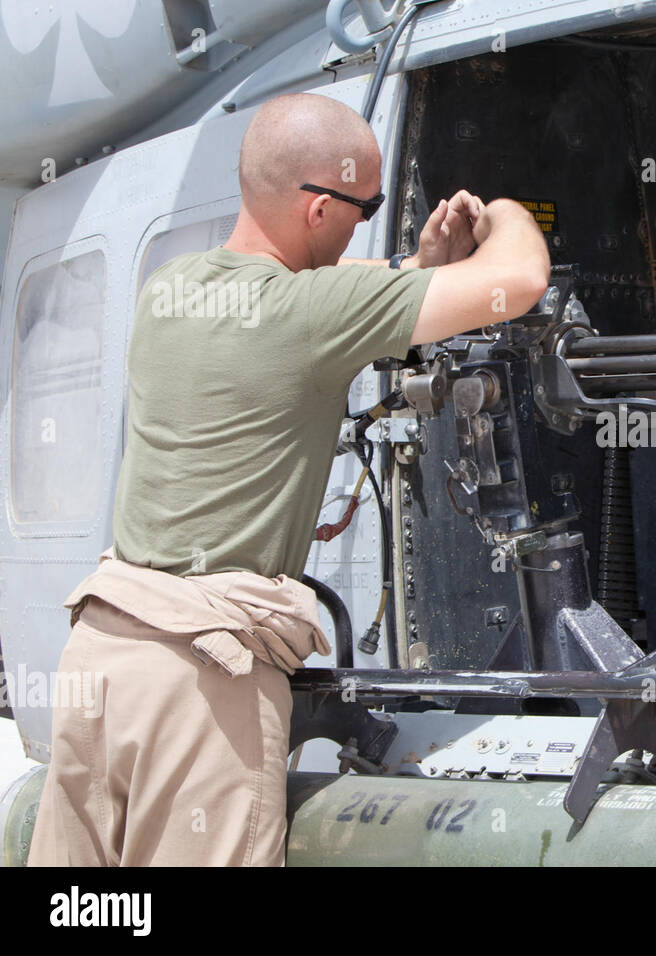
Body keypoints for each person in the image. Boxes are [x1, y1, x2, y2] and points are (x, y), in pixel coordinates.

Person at [27, 92, 550, 866]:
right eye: (365, 204)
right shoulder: (311, 312)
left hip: (103, 655)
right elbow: (522, 280)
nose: (365, 220)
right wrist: (505, 211)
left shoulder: (173, 289)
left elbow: (337, 289)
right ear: (316, 209)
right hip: (198, 683)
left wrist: (416, 267)